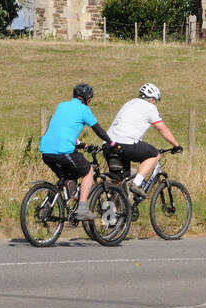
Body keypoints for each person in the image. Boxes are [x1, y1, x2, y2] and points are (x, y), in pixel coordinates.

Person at [39, 84, 112, 220]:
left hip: (46, 151)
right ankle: (82, 209)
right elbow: (98, 130)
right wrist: (112, 143)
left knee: (67, 176)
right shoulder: (84, 110)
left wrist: (80, 144)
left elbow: (62, 128)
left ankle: (49, 205)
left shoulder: (61, 106)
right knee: (88, 170)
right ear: (88, 99)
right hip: (62, 151)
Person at [106, 83, 181, 198]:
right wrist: (176, 145)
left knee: (120, 183)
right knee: (154, 155)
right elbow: (162, 129)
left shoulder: (129, 103)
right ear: (151, 99)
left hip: (108, 144)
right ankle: (136, 184)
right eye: (155, 101)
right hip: (126, 143)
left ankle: (114, 214)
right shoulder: (149, 107)